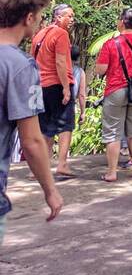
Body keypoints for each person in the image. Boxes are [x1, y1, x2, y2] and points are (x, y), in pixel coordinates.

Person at [0, 0, 63, 243]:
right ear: (28, 17)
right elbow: (32, 140)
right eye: (39, 17)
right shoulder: (22, 66)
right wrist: (50, 190)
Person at [94, 8, 132, 183]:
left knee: (113, 131)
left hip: (115, 90)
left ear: (121, 22)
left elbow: (101, 70)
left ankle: (112, 172)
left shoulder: (111, 44)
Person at [31, 3, 75, 158]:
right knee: (65, 125)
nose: (72, 19)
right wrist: (66, 87)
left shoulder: (40, 34)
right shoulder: (61, 34)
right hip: (56, 84)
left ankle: (41, 164)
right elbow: (60, 62)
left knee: (45, 127)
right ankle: (62, 163)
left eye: (72, 16)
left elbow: (33, 60)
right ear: (58, 17)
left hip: (39, 86)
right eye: (69, 16)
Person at [53, 45, 86, 181]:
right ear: (78, 57)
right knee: (65, 132)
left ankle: (42, 165)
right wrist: (83, 112)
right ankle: (62, 162)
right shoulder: (80, 72)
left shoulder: (58, 67)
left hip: (54, 101)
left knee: (48, 133)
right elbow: (82, 94)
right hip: (69, 103)